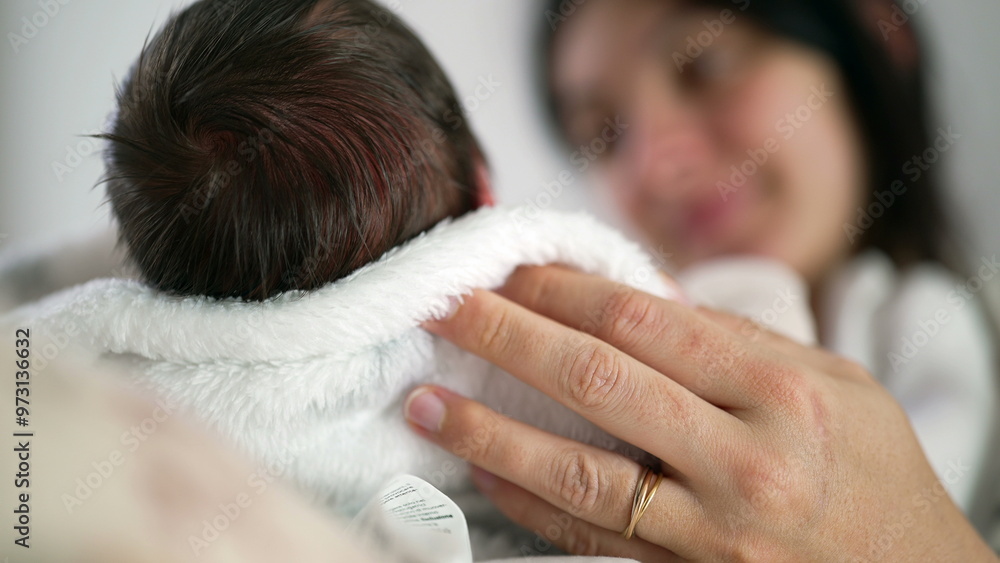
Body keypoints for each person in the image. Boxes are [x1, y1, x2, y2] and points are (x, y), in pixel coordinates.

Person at [402, 0, 999, 559]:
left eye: (707, 66)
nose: (658, 165)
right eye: (603, 134)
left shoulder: (933, 334)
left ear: (874, 29)